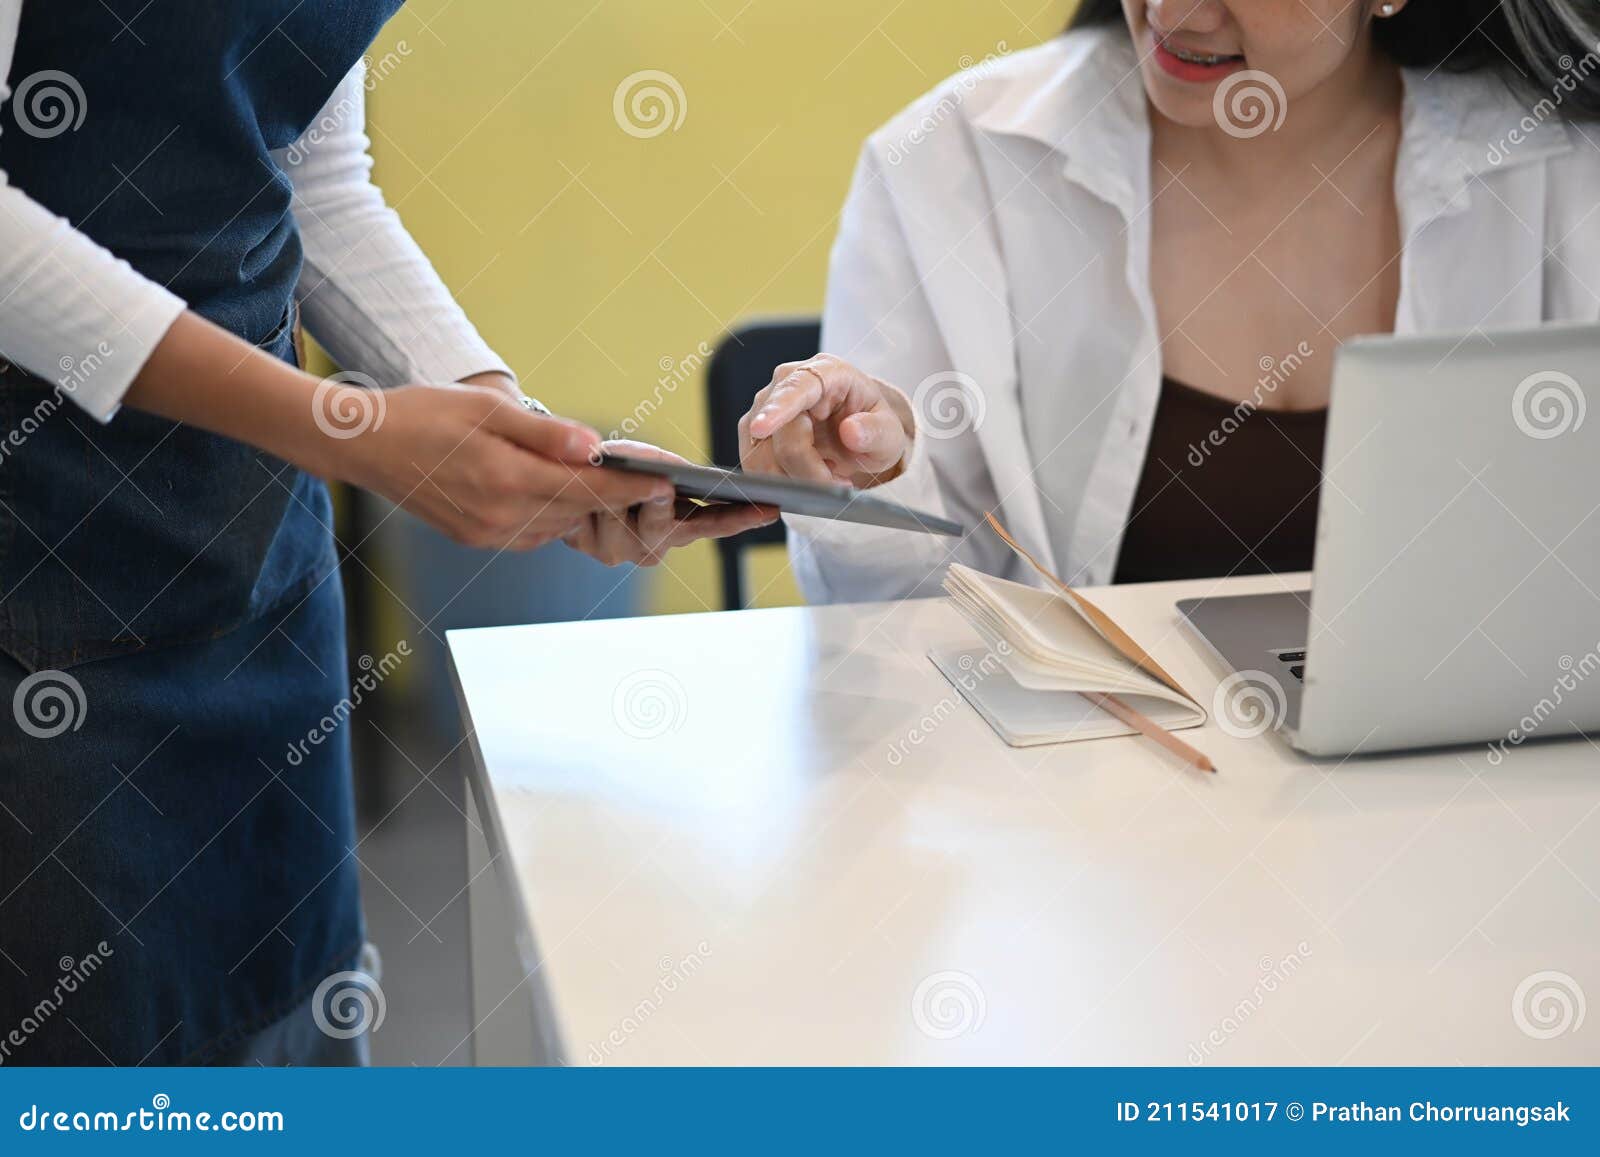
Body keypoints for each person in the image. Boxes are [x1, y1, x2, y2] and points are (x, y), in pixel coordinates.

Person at [0, 3, 770, 1065]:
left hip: (254, 551)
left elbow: (314, 177)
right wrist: (345, 427)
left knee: (294, 1017)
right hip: (44, 567)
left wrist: (512, 425)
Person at [741, 0, 1600, 602]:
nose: (1177, 12)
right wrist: (874, 478)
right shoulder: (951, 163)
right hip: (1075, 828)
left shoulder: (1562, 171)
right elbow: (893, 626)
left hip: (1466, 818)